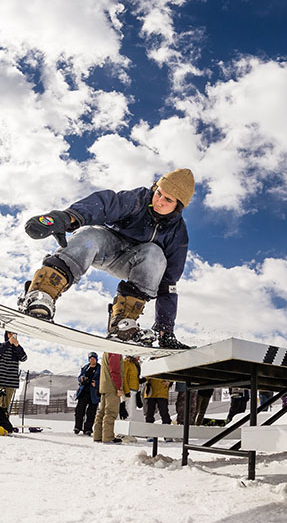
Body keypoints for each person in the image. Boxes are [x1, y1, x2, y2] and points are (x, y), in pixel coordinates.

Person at [20, 169, 195, 349]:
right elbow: (106, 204)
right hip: (107, 247)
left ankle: (123, 322)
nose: (159, 201)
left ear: (178, 205)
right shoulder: (138, 200)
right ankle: (41, 294)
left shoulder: (177, 233)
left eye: (168, 200)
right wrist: (66, 217)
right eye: (158, 193)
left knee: (155, 255)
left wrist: (166, 330)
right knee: (89, 235)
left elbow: (168, 283)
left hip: (134, 263)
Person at [91, 351, 138, 443]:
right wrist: (118, 387)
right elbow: (115, 371)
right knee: (111, 412)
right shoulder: (115, 352)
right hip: (112, 387)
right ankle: (108, 437)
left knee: (102, 412)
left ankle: (98, 435)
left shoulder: (106, 352)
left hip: (105, 386)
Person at [0, 331, 27, 415]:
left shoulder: (17, 348)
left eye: (14, 334)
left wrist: (17, 346)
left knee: (5, 408)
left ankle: (4, 421)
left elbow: (24, 358)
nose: (11, 335)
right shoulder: (0, 345)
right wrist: (8, 343)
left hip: (11, 382)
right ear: (6, 335)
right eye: (9, 333)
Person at [73, 352, 100, 435]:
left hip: (94, 393)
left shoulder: (100, 369)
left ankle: (88, 429)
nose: (92, 360)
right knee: (79, 410)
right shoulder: (85, 367)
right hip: (84, 392)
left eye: (93, 358)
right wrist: (81, 379)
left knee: (91, 412)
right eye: (90, 359)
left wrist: (96, 383)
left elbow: (104, 380)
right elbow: (79, 377)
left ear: (96, 359)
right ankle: (77, 427)